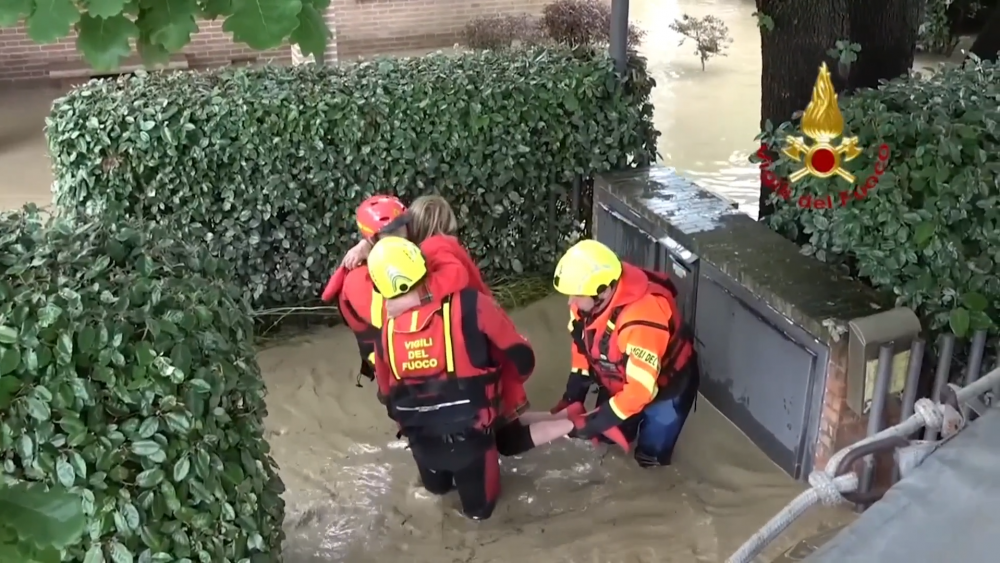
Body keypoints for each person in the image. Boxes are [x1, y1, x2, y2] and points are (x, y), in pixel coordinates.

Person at [367, 236, 579, 520]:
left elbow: (386, 393)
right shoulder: (472, 305)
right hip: (472, 442)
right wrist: (505, 391)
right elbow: (523, 359)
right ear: (424, 265)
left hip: (422, 445)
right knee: (481, 515)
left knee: (436, 497)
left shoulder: (384, 332)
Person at [548, 239, 700, 467]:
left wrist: (592, 423)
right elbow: (582, 346)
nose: (571, 301)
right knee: (608, 436)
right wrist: (573, 396)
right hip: (620, 379)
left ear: (604, 291)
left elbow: (640, 392)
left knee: (651, 457)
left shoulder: (642, 320)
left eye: (577, 295)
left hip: (668, 388)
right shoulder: (586, 302)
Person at [320, 195, 471, 386]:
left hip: (424, 357)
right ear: (374, 239)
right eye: (389, 233)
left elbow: (454, 276)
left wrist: (418, 296)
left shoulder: (410, 255)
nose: (398, 238)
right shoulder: (357, 279)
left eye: (402, 227)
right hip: (406, 364)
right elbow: (391, 315)